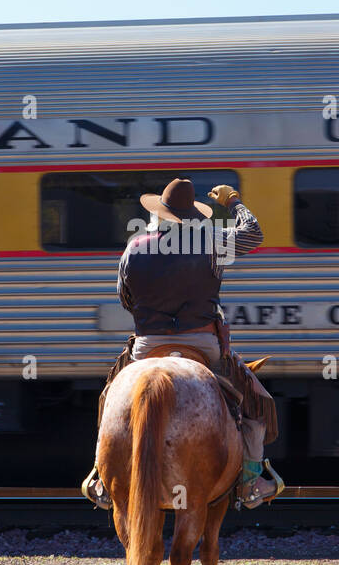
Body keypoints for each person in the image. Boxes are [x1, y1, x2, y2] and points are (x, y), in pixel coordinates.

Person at [81, 179, 283, 510]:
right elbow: (253, 233)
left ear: (158, 215)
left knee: (109, 396)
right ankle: (250, 480)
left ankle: (101, 476)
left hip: (147, 345)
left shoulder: (135, 248)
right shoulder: (213, 243)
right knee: (255, 401)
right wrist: (232, 203)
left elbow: (125, 298)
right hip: (204, 344)